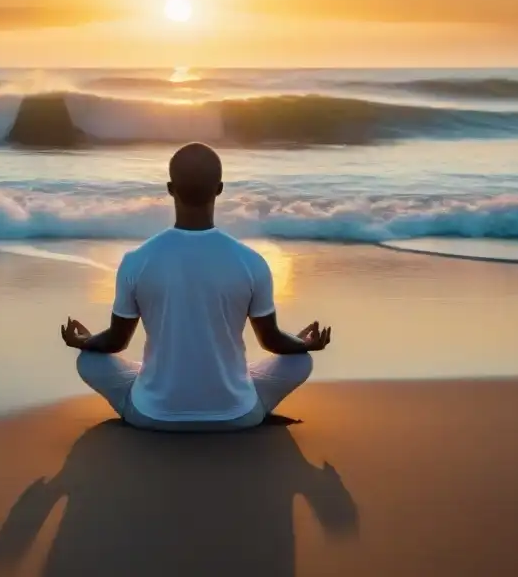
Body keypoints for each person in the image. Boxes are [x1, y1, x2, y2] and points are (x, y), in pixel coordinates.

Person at [60, 142, 332, 431]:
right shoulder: (250, 261)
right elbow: (272, 340)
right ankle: (245, 400)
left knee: (88, 361)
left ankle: (153, 390)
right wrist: (303, 345)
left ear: (169, 188)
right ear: (219, 189)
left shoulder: (137, 259)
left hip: (153, 417)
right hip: (237, 416)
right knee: (300, 361)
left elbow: (116, 341)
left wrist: (86, 342)